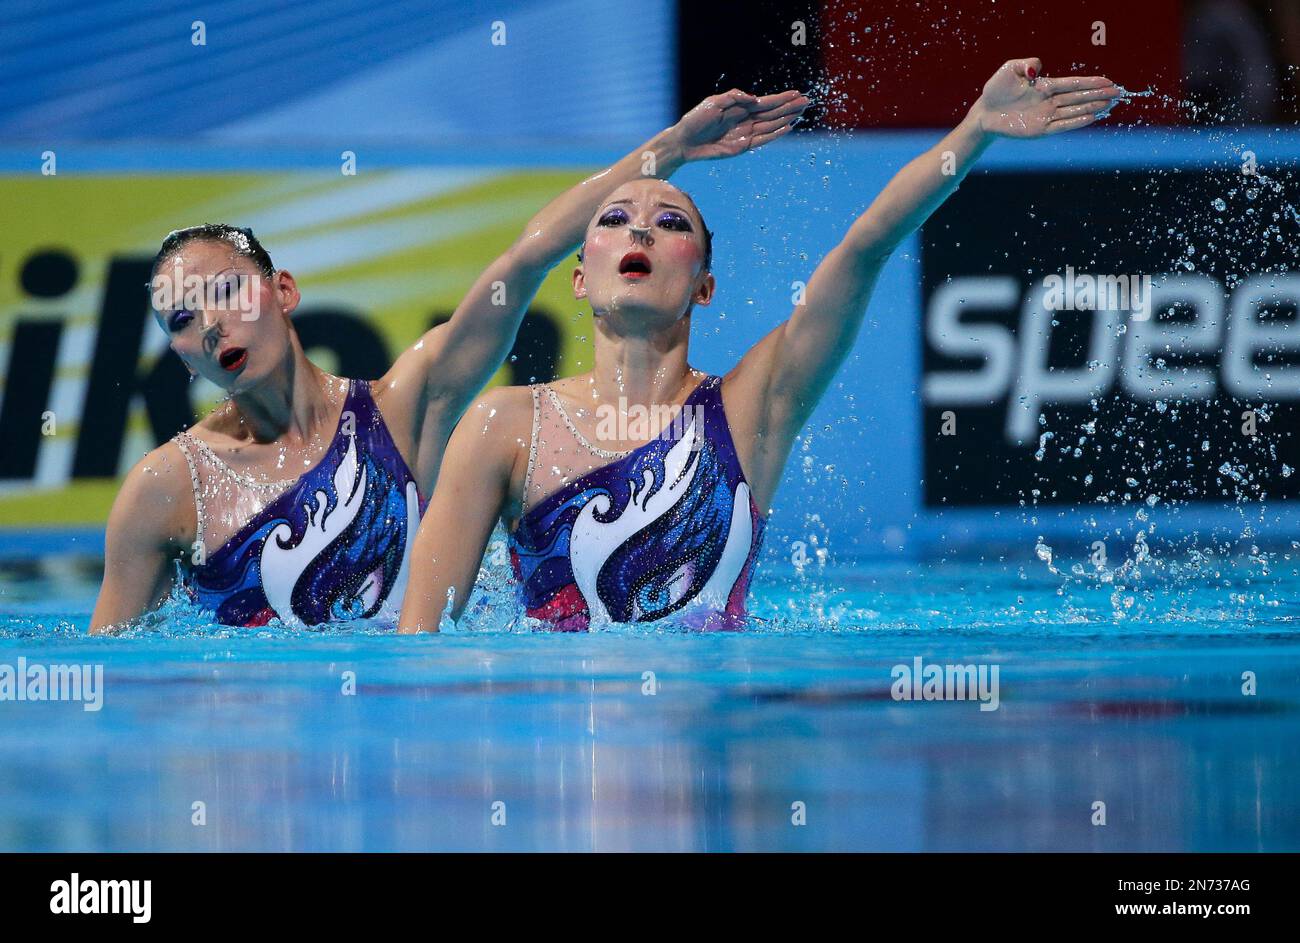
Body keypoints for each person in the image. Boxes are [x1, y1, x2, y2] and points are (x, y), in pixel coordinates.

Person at [397, 58, 1120, 633]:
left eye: (672, 224)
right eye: (615, 217)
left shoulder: (749, 409)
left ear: (704, 287)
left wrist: (975, 130)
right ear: (579, 278)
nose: (642, 230)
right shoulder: (505, 425)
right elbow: (418, 646)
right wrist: (670, 152)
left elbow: (864, 247)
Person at [88, 88, 808, 632]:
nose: (212, 324)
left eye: (226, 290)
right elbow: (111, 686)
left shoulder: (406, 409)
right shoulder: (165, 490)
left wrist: (671, 149)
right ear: (178, 358)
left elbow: (528, 259)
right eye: (183, 319)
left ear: (283, 290)